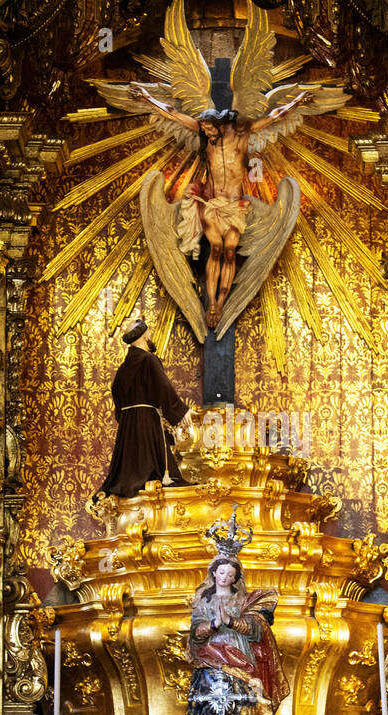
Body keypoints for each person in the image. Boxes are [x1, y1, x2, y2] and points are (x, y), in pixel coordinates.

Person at [130, 85, 313, 324]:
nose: (206, 135)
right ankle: (212, 304)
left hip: (236, 206)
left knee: (229, 253)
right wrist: (147, 98)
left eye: (209, 130)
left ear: (219, 125)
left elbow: (274, 116)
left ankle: (222, 302)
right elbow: (172, 112)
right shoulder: (206, 136)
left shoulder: (243, 134)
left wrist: (297, 101)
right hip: (212, 204)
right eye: (204, 131)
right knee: (215, 249)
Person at [178, 555, 288, 715]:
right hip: (210, 659)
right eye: (221, 572)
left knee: (243, 704)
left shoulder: (243, 601)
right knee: (211, 708)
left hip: (240, 658)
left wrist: (230, 621)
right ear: (214, 573)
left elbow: (256, 631)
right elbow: (195, 634)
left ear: (236, 578)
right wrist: (213, 624)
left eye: (230, 574)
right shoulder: (203, 601)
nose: (225, 577)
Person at [95, 319, 195, 500]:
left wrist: (128, 420)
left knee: (129, 473)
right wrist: (181, 411)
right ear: (144, 335)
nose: (151, 336)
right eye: (149, 333)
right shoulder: (149, 360)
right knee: (155, 472)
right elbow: (163, 387)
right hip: (147, 424)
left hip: (127, 430)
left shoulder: (122, 370)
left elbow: (117, 402)